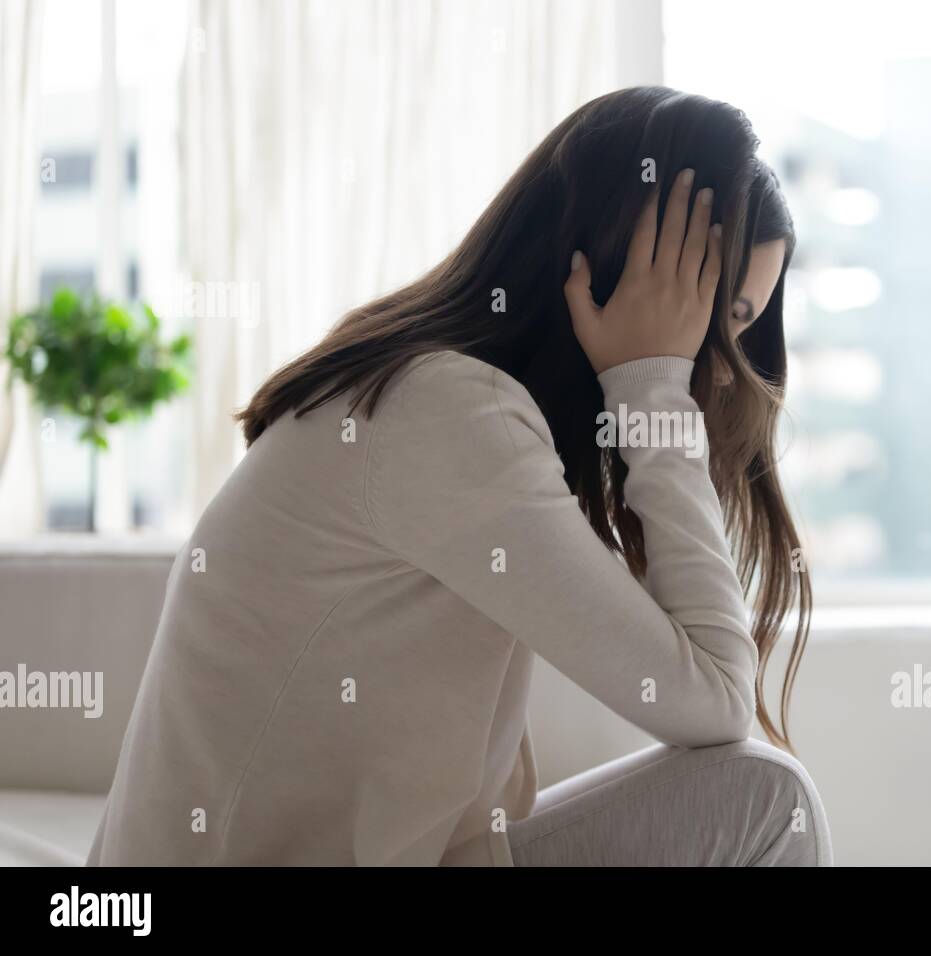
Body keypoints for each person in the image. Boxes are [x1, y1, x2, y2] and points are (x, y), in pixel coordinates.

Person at [86, 86, 831, 866]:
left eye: (740, 323)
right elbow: (713, 700)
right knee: (769, 801)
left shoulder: (442, 393)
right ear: (617, 263)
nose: (714, 362)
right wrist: (649, 386)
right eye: (709, 307)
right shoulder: (445, 409)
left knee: (768, 794)